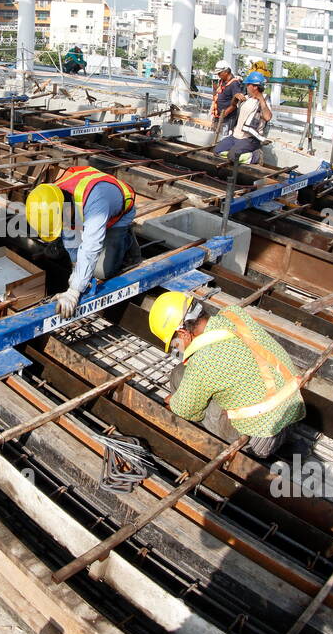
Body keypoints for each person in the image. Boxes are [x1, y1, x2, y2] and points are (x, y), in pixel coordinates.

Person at [148, 291, 305, 459]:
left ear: (183, 334)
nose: (176, 348)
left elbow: (186, 410)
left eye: (174, 344)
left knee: (182, 389)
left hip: (261, 439)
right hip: (294, 409)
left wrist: (175, 402)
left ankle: (245, 451)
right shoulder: (233, 313)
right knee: (183, 373)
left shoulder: (203, 362)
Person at [26, 165, 138, 318]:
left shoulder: (95, 202)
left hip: (118, 216)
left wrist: (74, 290)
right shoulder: (57, 197)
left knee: (102, 271)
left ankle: (127, 240)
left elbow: (91, 247)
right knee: (72, 246)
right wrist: (76, 266)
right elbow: (70, 238)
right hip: (86, 207)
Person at [214, 70, 271, 163]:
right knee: (217, 151)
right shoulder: (246, 98)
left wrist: (261, 99)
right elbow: (233, 105)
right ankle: (237, 153)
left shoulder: (264, 99)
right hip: (236, 135)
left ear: (255, 87)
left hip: (249, 139)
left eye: (248, 85)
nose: (246, 87)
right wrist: (234, 98)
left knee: (232, 156)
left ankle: (255, 156)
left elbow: (268, 117)